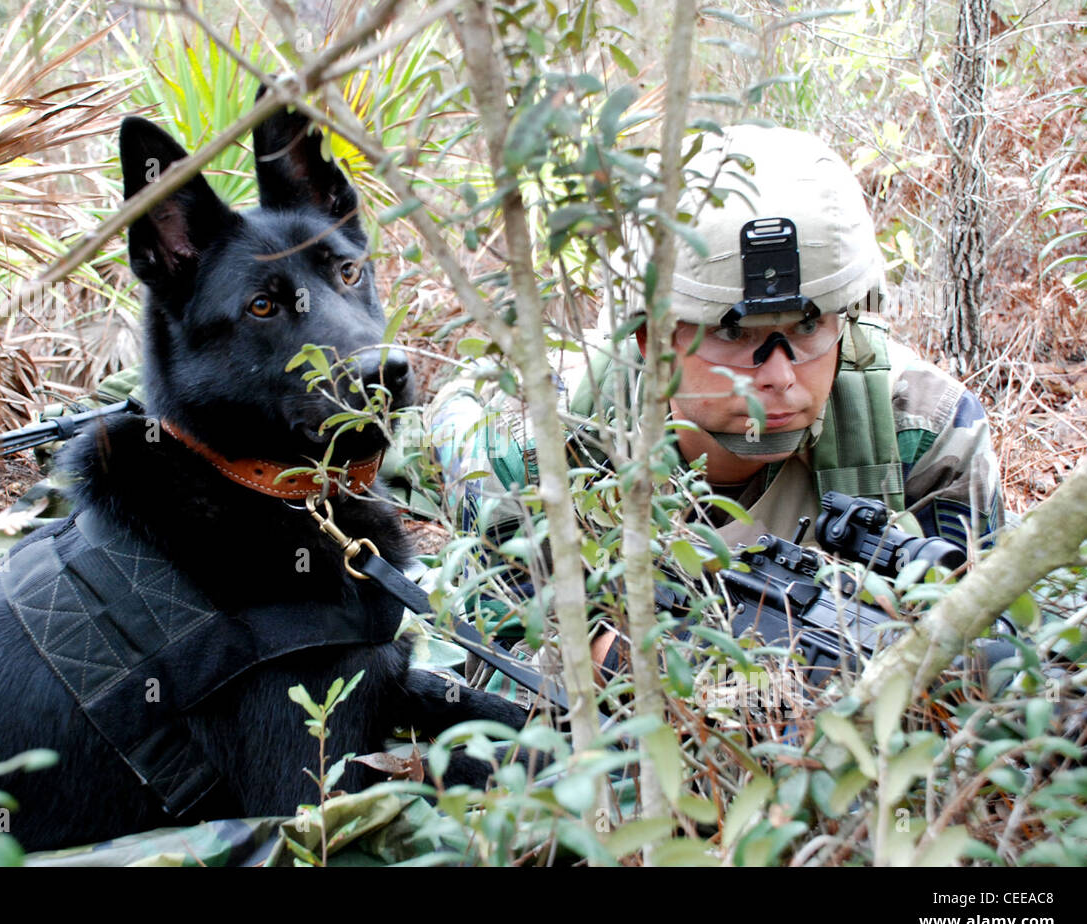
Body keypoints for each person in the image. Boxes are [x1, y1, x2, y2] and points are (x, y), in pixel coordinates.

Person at [425, 123, 1006, 697]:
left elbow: (995, 647)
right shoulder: (544, 439)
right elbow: (498, 637)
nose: (778, 376)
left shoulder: (924, 432)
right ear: (654, 343)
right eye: (733, 332)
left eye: (808, 326)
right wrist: (634, 668)